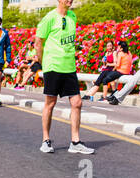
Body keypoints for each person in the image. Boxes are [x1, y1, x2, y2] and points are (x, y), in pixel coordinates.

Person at [36, 0, 92, 153]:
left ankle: (75, 142)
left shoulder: (72, 16)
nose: (70, 0)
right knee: (51, 103)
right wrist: (43, 63)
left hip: (69, 67)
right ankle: (46, 140)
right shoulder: (49, 18)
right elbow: (38, 42)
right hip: (53, 66)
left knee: (77, 103)